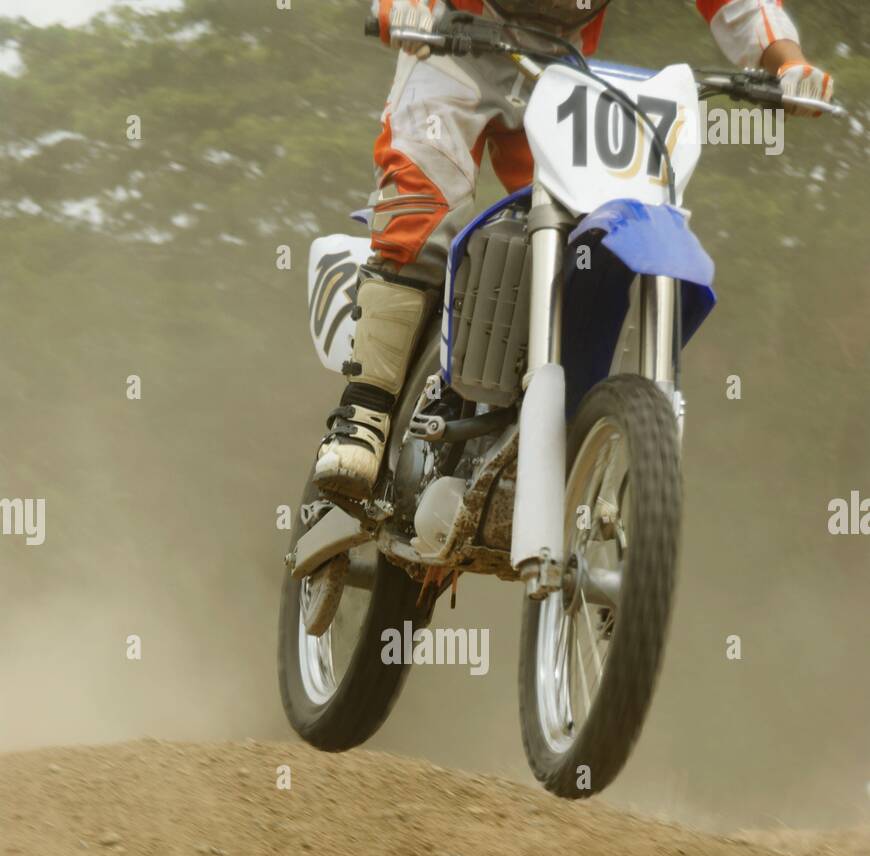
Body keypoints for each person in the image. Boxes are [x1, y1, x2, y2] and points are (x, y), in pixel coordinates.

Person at [314, 0, 833, 499]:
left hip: (559, 65)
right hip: (451, 39)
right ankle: (365, 413)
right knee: (422, 213)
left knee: (577, 233)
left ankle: (523, 415)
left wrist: (786, 61)